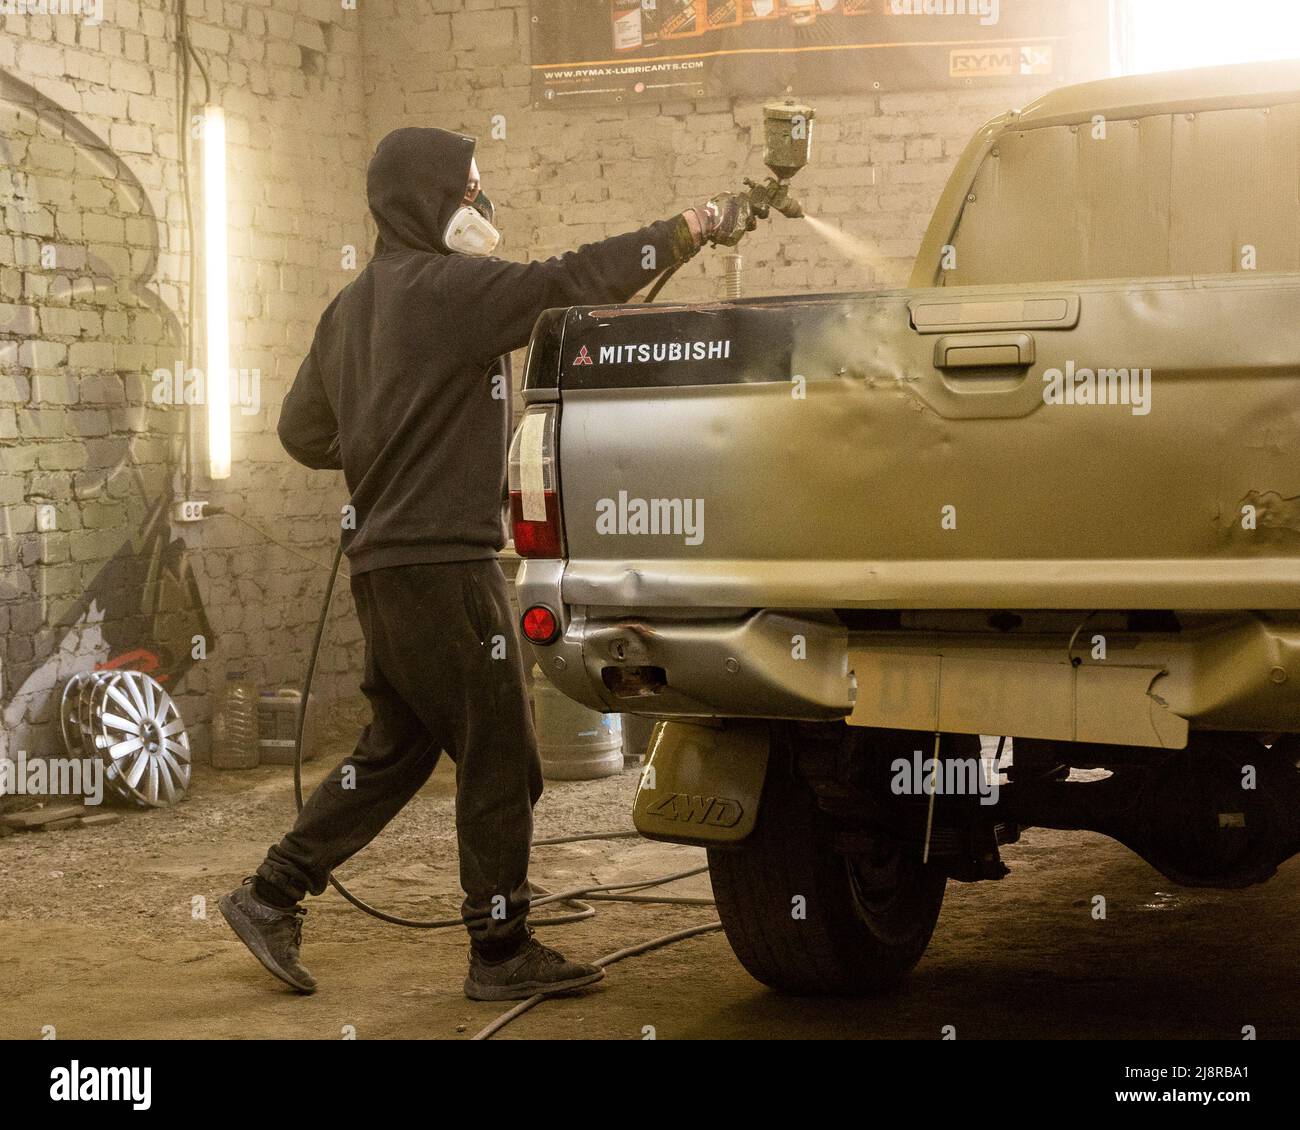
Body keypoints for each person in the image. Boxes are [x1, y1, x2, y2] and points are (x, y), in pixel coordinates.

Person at [218, 126, 753, 1002]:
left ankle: (270, 893)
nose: (482, 205)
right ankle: (501, 952)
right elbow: (570, 281)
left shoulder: (351, 307)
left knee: (397, 750)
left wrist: (382, 444)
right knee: (503, 753)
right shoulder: (450, 291)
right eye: (469, 189)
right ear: (427, 199)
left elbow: (300, 432)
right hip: (444, 567)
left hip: (383, 568)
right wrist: (692, 225)